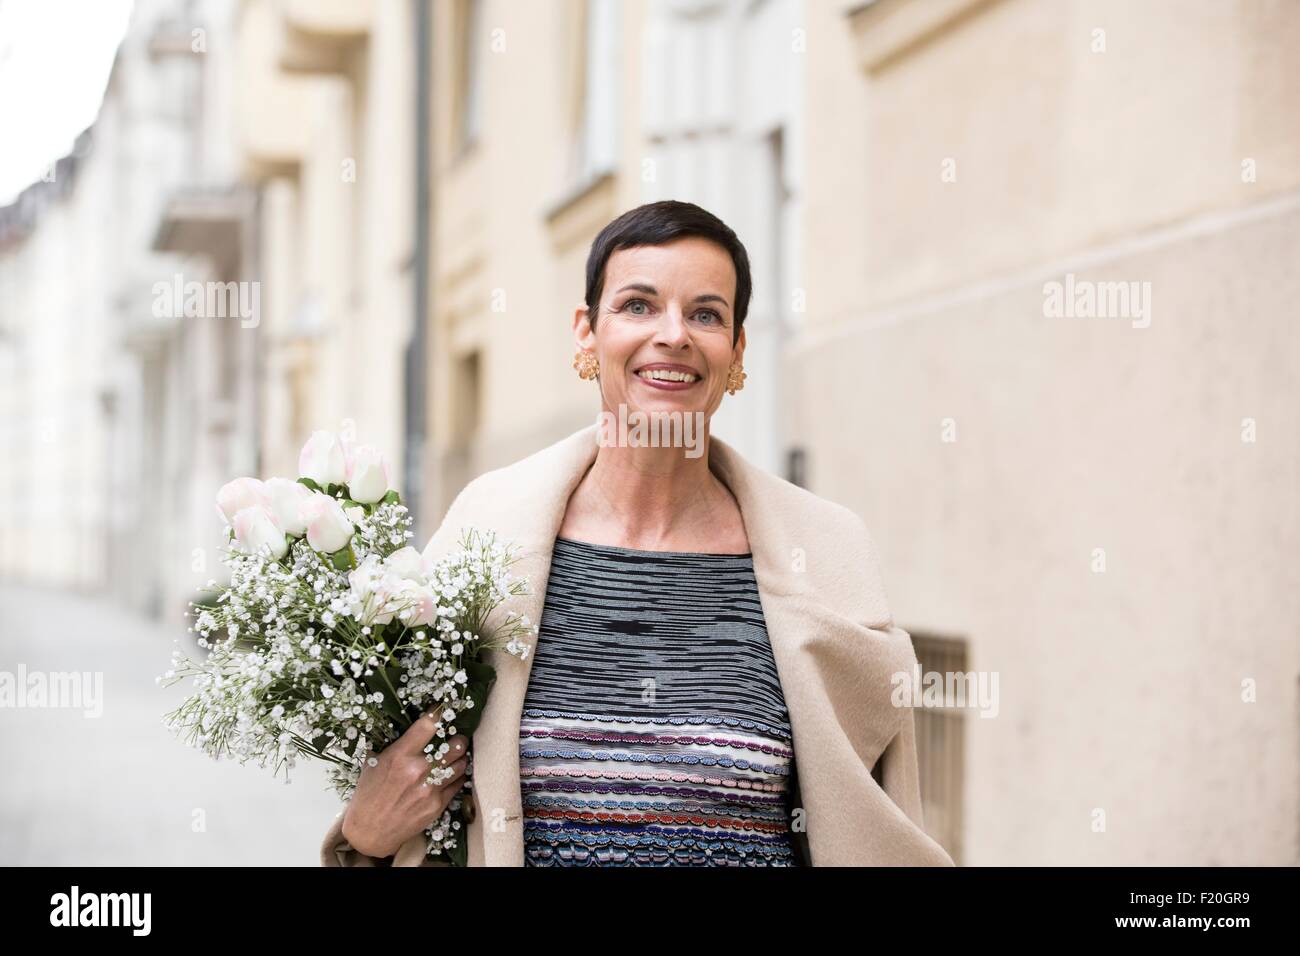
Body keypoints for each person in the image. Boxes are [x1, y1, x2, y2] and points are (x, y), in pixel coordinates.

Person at [322, 200, 954, 867]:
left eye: (706, 314)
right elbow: (410, 797)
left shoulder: (826, 554)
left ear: (737, 352)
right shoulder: (488, 529)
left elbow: (878, 817)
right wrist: (364, 836)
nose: (674, 335)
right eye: (638, 306)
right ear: (586, 334)